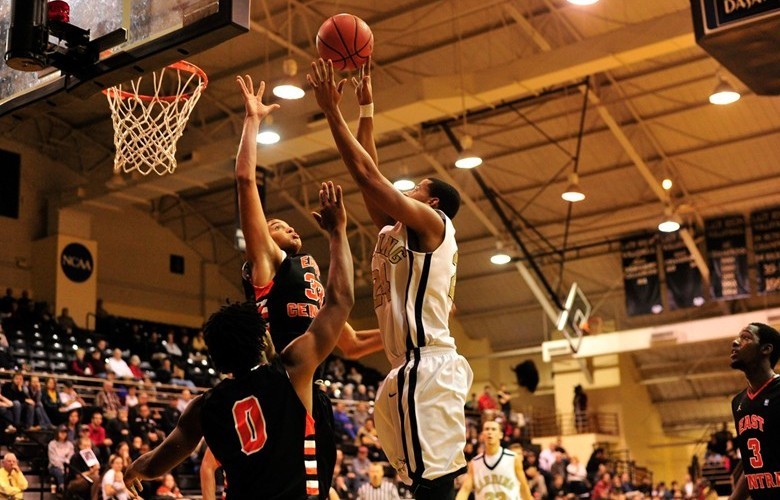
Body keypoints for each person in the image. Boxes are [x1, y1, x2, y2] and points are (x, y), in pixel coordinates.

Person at [123, 179, 355, 499]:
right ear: (262, 340)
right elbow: (340, 300)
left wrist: (134, 468)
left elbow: (154, 464)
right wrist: (338, 231)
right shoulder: (291, 371)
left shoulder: (203, 406)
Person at [309, 57, 473, 498]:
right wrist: (366, 110)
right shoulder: (397, 230)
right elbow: (369, 178)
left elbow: (368, 174)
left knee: (434, 481)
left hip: (429, 365)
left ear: (432, 201)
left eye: (417, 186)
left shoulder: (432, 224)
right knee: (420, 480)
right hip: (407, 368)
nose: (407, 189)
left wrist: (330, 110)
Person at [232, 74, 382, 498]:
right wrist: (252, 121)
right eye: (275, 225)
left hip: (311, 391)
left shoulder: (307, 276)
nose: (285, 226)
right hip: (279, 383)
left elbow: (350, 344)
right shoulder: (266, 265)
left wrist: (406, 338)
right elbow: (245, 182)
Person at [728, 322, 780, 500]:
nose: (735, 342)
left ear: (766, 349)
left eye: (746, 338)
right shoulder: (738, 402)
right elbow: (750, 466)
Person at [456, 420, 531, 500]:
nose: (490, 432)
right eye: (487, 429)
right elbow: (465, 490)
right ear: (482, 434)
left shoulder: (513, 458)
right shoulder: (475, 463)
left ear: (501, 435)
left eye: (493, 429)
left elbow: (524, 487)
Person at [48, 425, 75, 493]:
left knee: (69, 472)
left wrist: (64, 463)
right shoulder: (52, 444)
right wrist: (63, 463)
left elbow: (70, 458)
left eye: (65, 432)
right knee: (58, 471)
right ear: (57, 433)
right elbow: (53, 459)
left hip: (67, 467)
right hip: (54, 466)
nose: (63, 434)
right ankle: (62, 488)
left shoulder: (69, 445)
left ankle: (66, 490)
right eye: (61, 432)